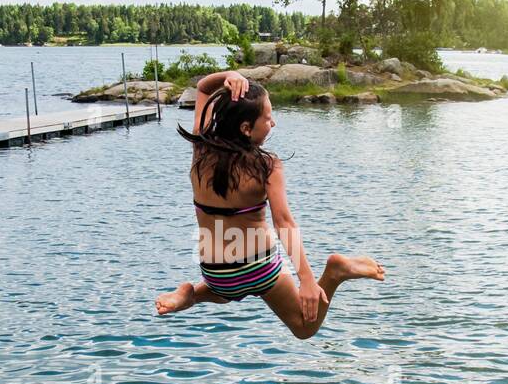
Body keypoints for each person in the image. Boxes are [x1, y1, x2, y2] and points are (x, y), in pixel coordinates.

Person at [155, 68, 385, 338]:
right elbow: (284, 222)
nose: (273, 123)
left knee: (225, 294)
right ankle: (336, 272)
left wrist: (229, 75)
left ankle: (190, 294)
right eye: (268, 117)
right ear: (246, 128)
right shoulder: (266, 165)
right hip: (259, 267)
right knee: (304, 328)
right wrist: (308, 280)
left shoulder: (201, 149)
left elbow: (204, 87)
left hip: (218, 275)